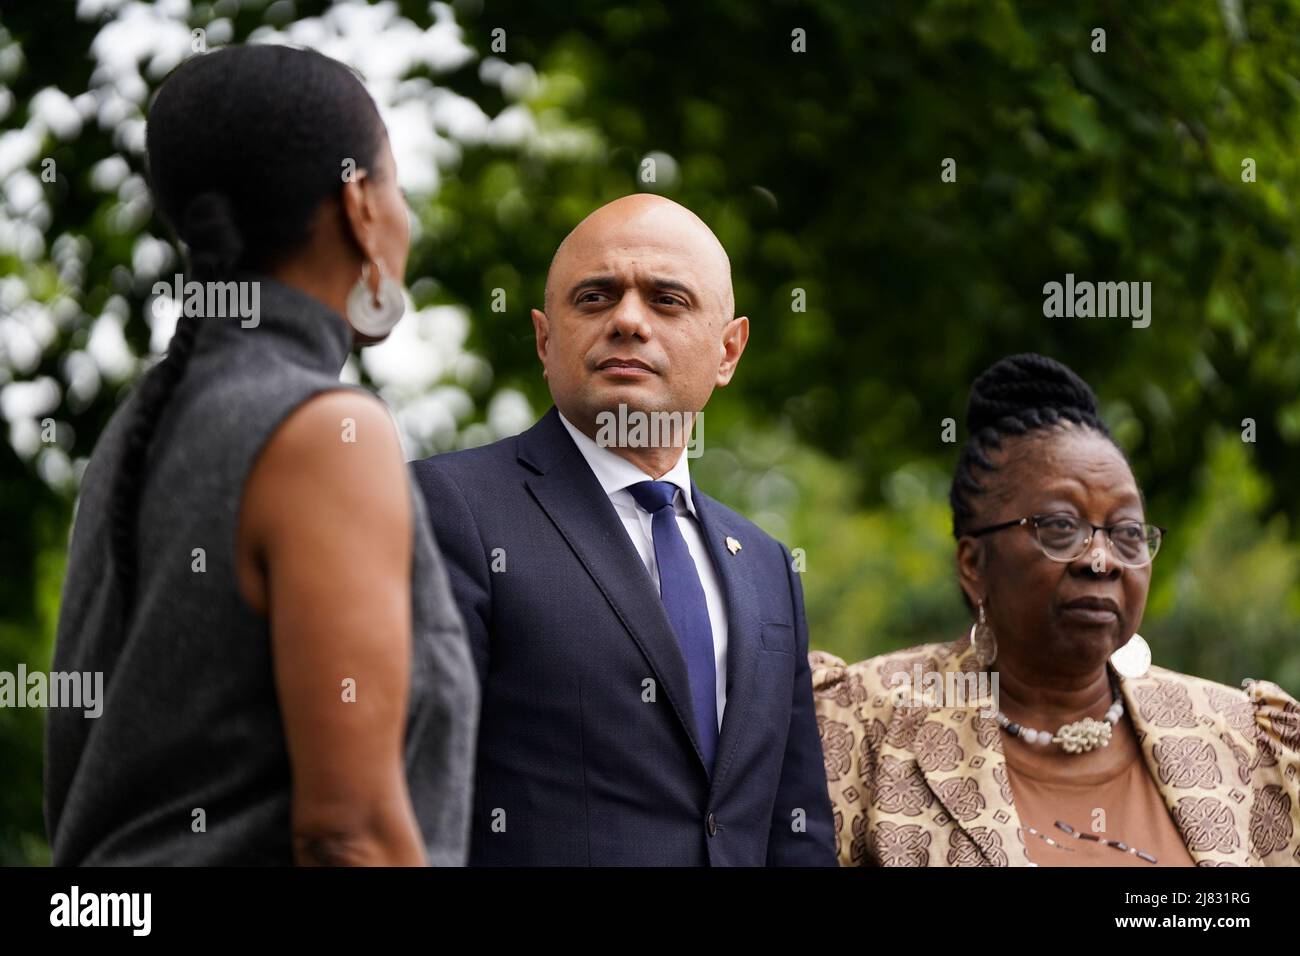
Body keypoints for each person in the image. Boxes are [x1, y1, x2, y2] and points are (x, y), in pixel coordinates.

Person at [44, 45, 478, 866]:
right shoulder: (325, 432)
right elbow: (349, 834)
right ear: (358, 203)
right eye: (397, 185)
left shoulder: (139, 428)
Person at [412, 193, 836, 865]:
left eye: (667, 300)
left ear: (729, 351)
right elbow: (411, 795)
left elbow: (796, 828)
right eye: (594, 298)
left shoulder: (766, 564)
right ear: (545, 341)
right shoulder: (448, 507)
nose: (628, 321)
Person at [812, 353, 1300, 866]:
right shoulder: (859, 726)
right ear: (974, 564)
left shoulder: (1248, 743)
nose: (1101, 559)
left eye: (1128, 533)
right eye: (1061, 527)